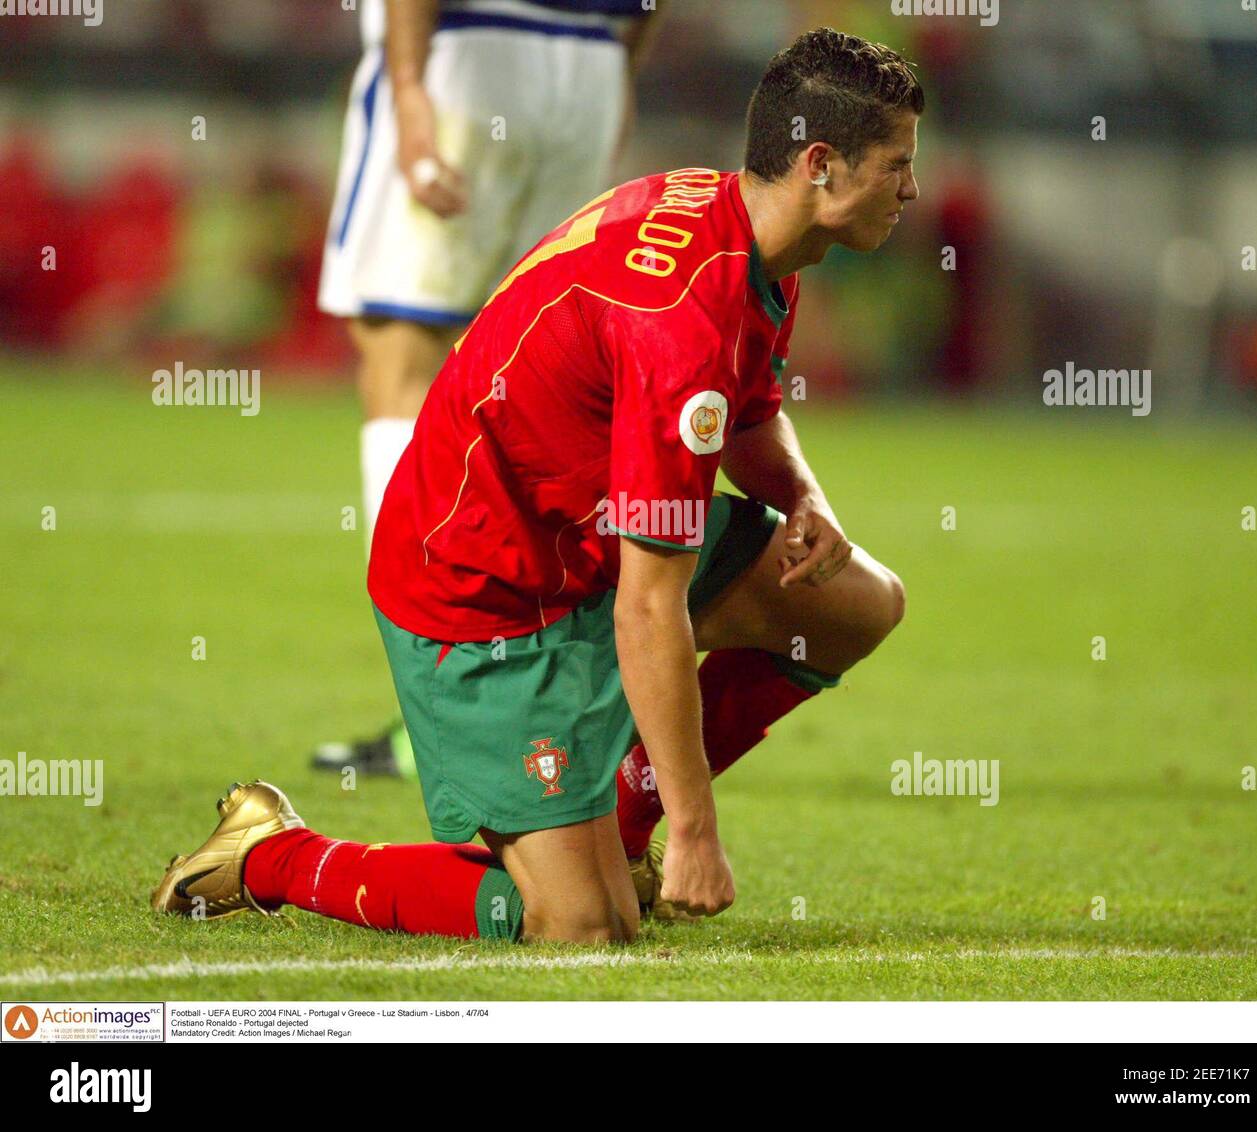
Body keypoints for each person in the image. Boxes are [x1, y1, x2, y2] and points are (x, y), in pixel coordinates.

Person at [154, 28, 921, 942]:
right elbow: (649, 609)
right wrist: (697, 830)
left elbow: (748, 410)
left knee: (856, 605)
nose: (912, 190)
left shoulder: (750, 237)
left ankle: (618, 831)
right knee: (583, 928)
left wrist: (803, 498)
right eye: (897, 165)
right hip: (484, 596)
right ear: (821, 166)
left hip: (580, 553)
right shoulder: (680, 318)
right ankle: (267, 854)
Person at [312, 0, 665, 778]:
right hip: (592, 68)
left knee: (402, 360)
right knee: (540, 377)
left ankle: (442, 702)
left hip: (465, 57)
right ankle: (568, 701)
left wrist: (408, 91)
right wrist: (618, 77)